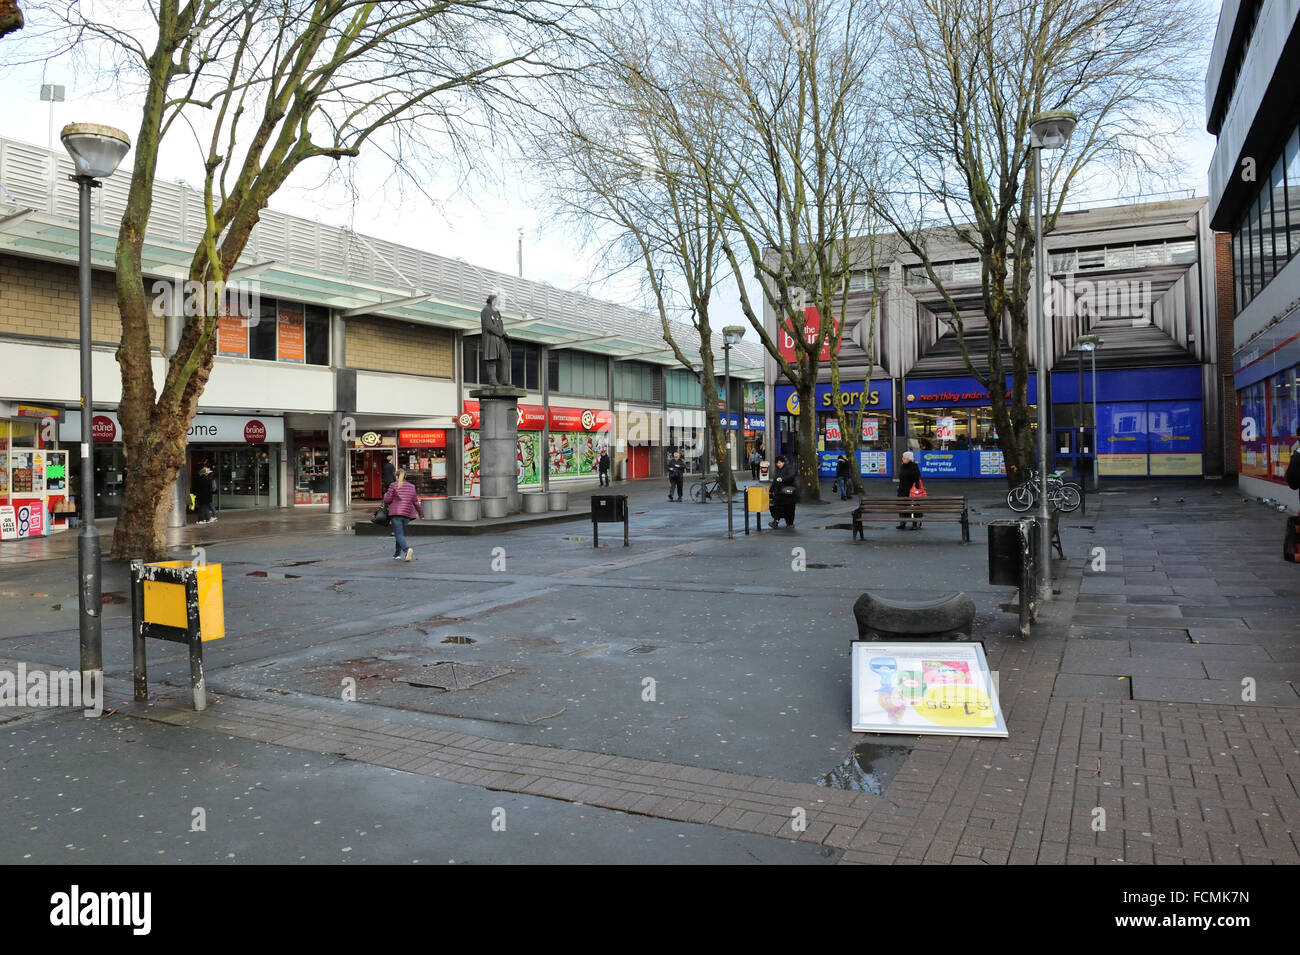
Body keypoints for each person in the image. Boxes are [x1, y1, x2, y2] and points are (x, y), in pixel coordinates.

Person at [383, 469, 422, 561]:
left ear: (396, 477)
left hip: (396, 513)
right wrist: (421, 513)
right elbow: (416, 502)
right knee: (399, 533)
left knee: (398, 533)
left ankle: (407, 549)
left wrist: (385, 496)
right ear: (406, 477)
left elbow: (387, 500)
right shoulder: (412, 486)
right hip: (407, 514)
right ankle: (397, 554)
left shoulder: (393, 485)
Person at [480, 293, 511, 386]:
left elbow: (501, 325)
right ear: (491, 300)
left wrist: (505, 333)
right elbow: (488, 326)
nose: (496, 302)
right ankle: (492, 380)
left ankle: (504, 380)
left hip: (500, 338)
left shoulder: (497, 312)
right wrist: (501, 333)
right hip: (491, 339)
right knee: (491, 359)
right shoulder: (485, 311)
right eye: (495, 300)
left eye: (497, 300)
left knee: (505, 357)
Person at [769, 454, 799, 527]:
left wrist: (783, 479)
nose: (778, 464)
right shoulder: (777, 470)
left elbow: (791, 476)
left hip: (788, 492)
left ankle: (789, 523)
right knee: (778, 507)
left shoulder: (788, 468)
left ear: (783, 462)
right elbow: (775, 481)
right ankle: (776, 521)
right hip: (780, 493)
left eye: (779, 463)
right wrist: (771, 490)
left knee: (789, 508)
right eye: (777, 463)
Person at [897, 450, 923, 530]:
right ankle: (903, 522)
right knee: (902, 506)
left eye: (904, 458)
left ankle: (915, 523)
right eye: (903, 457)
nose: (902, 459)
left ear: (909, 459)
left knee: (914, 507)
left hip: (912, 490)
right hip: (902, 489)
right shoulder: (902, 466)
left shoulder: (914, 466)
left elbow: (917, 478)